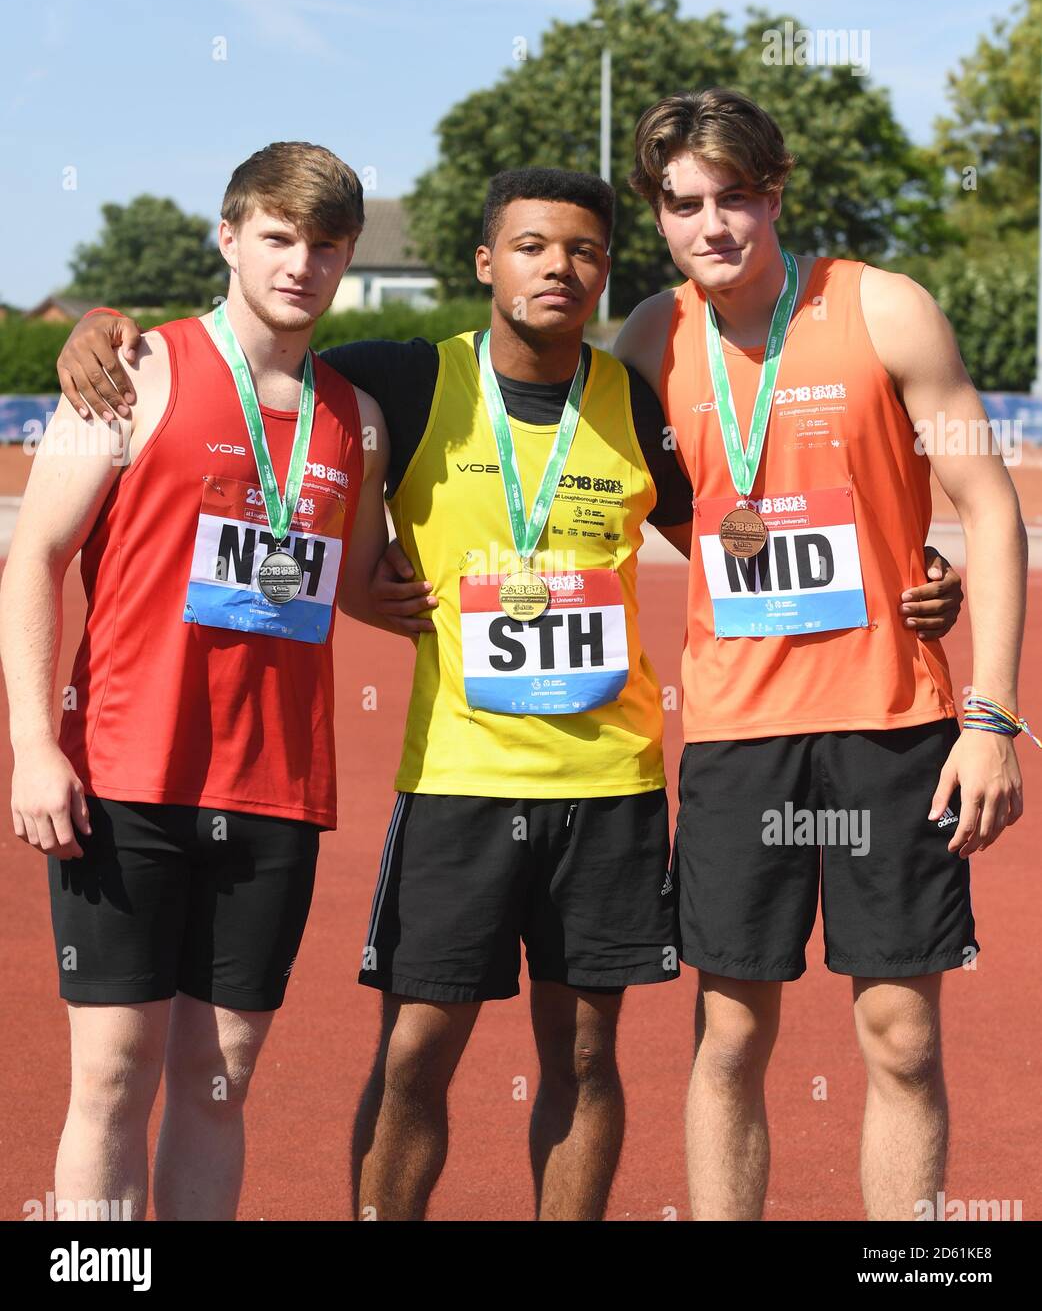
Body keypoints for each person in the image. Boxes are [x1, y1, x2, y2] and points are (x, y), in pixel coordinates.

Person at [55, 166, 963, 1223]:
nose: (558, 268)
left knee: (583, 1054)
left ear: (605, 272)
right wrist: (105, 325)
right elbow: (258, 346)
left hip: (610, 788)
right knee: (416, 1053)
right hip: (457, 781)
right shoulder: (399, 378)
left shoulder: (634, 397)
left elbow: (733, 538)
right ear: (487, 262)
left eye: (582, 251)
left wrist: (914, 570)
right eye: (531, 246)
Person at [614, 87, 1029, 1221]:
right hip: (738, 733)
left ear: (775, 192)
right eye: (684, 203)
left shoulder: (883, 309)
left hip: (891, 726)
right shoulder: (650, 337)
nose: (712, 226)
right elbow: (635, 493)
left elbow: (988, 507)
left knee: (899, 1035)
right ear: (659, 214)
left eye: (735, 198)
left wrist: (990, 718)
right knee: (731, 1030)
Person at [1, 141, 391, 1221]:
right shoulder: (137, 373)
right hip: (123, 776)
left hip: (272, 793)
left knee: (221, 1080)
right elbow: (31, 559)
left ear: (348, 257)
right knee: (114, 1077)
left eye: (323, 245)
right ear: (228, 238)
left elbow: (362, 584)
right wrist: (36, 745)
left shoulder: (355, 419)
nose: (298, 263)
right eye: (275, 237)